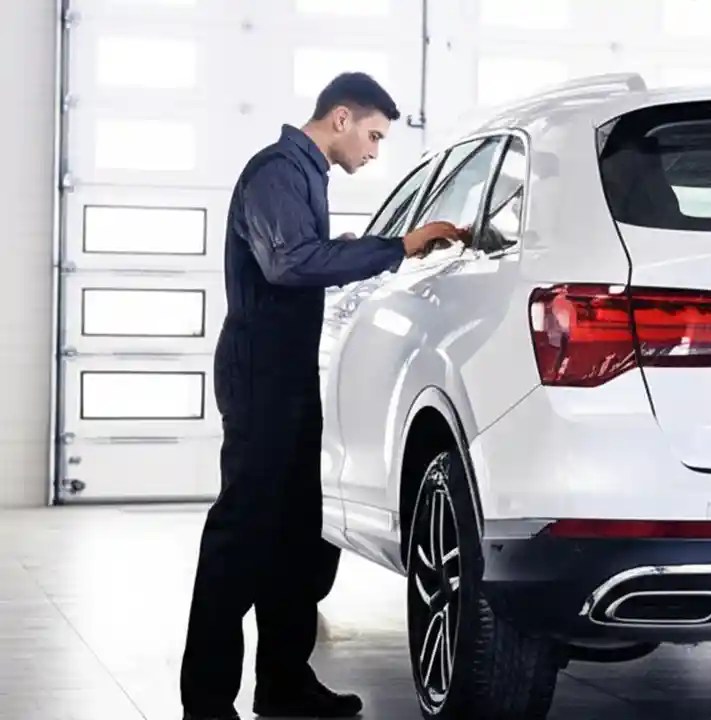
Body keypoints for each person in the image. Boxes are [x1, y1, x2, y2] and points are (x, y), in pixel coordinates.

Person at [179, 72, 465, 720]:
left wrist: (392, 252)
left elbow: (311, 254)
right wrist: (398, 247)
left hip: (289, 374)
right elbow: (291, 263)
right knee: (242, 536)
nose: (373, 151)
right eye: (372, 135)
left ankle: (283, 682)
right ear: (341, 117)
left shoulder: (308, 176)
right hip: (259, 377)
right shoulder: (276, 171)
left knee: (296, 535)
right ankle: (205, 701)